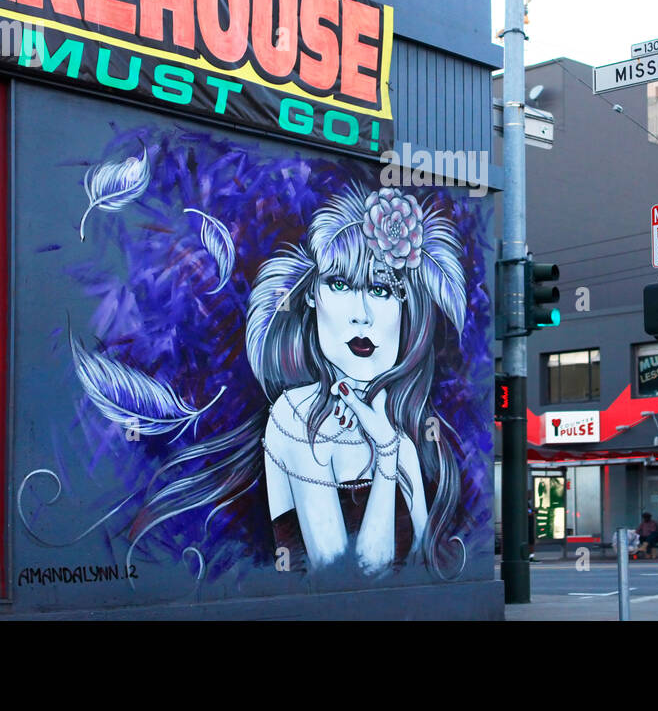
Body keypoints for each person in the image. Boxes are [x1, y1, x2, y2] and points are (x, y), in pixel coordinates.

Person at [135, 184, 469, 578]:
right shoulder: (294, 415)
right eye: (341, 284)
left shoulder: (397, 434)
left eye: (380, 289)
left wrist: (388, 447)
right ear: (311, 297)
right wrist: (385, 454)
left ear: (405, 308)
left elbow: (417, 568)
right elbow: (348, 570)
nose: (361, 315)